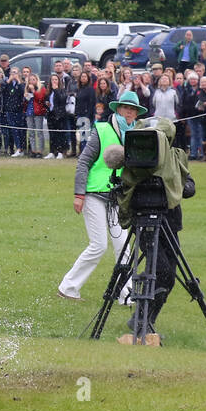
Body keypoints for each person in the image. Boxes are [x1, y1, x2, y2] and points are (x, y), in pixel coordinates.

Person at [59, 90, 146, 303]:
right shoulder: (102, 130)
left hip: (119, 198)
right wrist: (79, 194)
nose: (129, 112)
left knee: (123, 248)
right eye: (126, 108)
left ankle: (126, 296)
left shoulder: (138, 133)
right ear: (118, 109)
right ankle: (68, 287)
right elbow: (84, 162)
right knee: (98, 246)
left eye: (133, 109)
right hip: (94, 194)